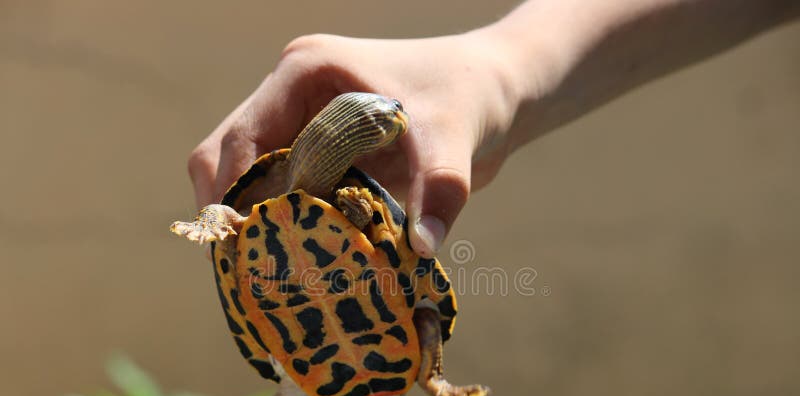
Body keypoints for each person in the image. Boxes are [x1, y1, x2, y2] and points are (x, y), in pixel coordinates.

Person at [186, 0, 798, 258]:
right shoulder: (293, 183)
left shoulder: (352, 190)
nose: (390, 125)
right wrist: (504, 66)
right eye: (376, 122)